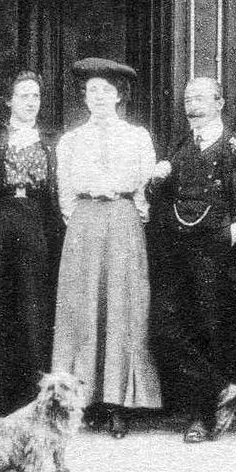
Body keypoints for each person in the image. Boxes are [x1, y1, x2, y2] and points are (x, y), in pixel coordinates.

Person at [52, 58, 161, 438]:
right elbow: (65, 191)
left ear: (119, 96)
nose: (99, 97)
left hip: (122, 219)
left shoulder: (136, 137)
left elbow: (143, 187)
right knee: (82, 306)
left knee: (121, 307)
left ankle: (117, 403)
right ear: (85, 97)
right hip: (84, 222)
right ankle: (84, 398)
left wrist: (125, 212)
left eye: (106, 91)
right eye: (92, 90)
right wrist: (83, 214)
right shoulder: (71, 141)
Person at [147, 77, 236, 444]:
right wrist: (155, 181)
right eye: (188, 98)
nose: (193, 105)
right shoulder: (178, 143)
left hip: (216, 253)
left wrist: (232, 234)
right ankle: (223, 388)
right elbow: (160, 196)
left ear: (220, 103)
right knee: (164, 329)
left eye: (201, 98)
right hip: (176, 250)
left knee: (209, 331)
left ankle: (201, 418)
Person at [0, 71, 63, 414]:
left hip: (37, 223)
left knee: (33, 305)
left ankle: (31, 400)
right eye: (23, 96)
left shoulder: (51, 138)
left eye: (35, 96)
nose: (31, 103)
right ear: (9, 100)